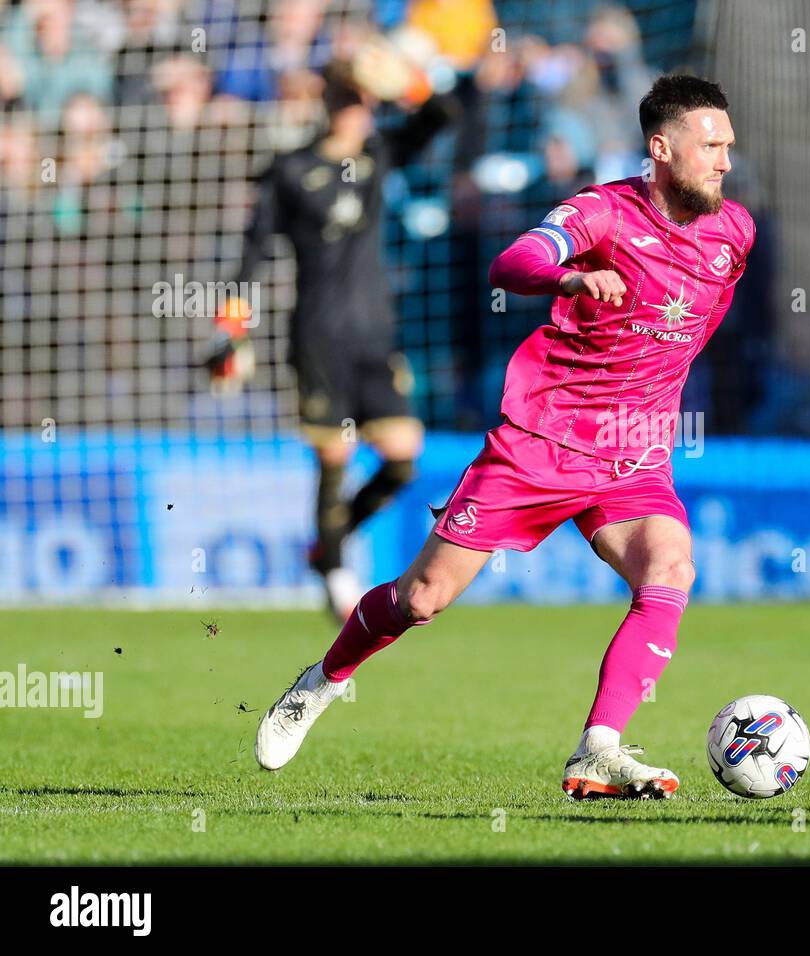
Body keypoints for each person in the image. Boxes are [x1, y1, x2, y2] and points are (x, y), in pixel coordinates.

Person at [253, 73, 755, 800]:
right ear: (661, 148)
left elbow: (693, 325)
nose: (724, 161)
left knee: (670, 569)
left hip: (633, 453)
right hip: (542, 442)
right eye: (710, 146)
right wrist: (570, 283)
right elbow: (513, 262)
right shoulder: (601, 213)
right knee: (421, 599)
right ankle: (321, 681)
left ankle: (598, 748)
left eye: (727, 147)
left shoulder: (734, 232)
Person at [207, 44, 460, 619]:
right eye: (347, 99)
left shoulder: (379, 154)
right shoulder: (290, 170)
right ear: (328, 103)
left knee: (401, 456)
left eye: (363, 100)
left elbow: (445, 114)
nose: (356, 110)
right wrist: (231, 334)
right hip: (319, 335)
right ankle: (338, 574)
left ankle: (329, 545)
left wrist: (409, 83)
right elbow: (251, 257)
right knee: (334, 455)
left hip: (375, 334)